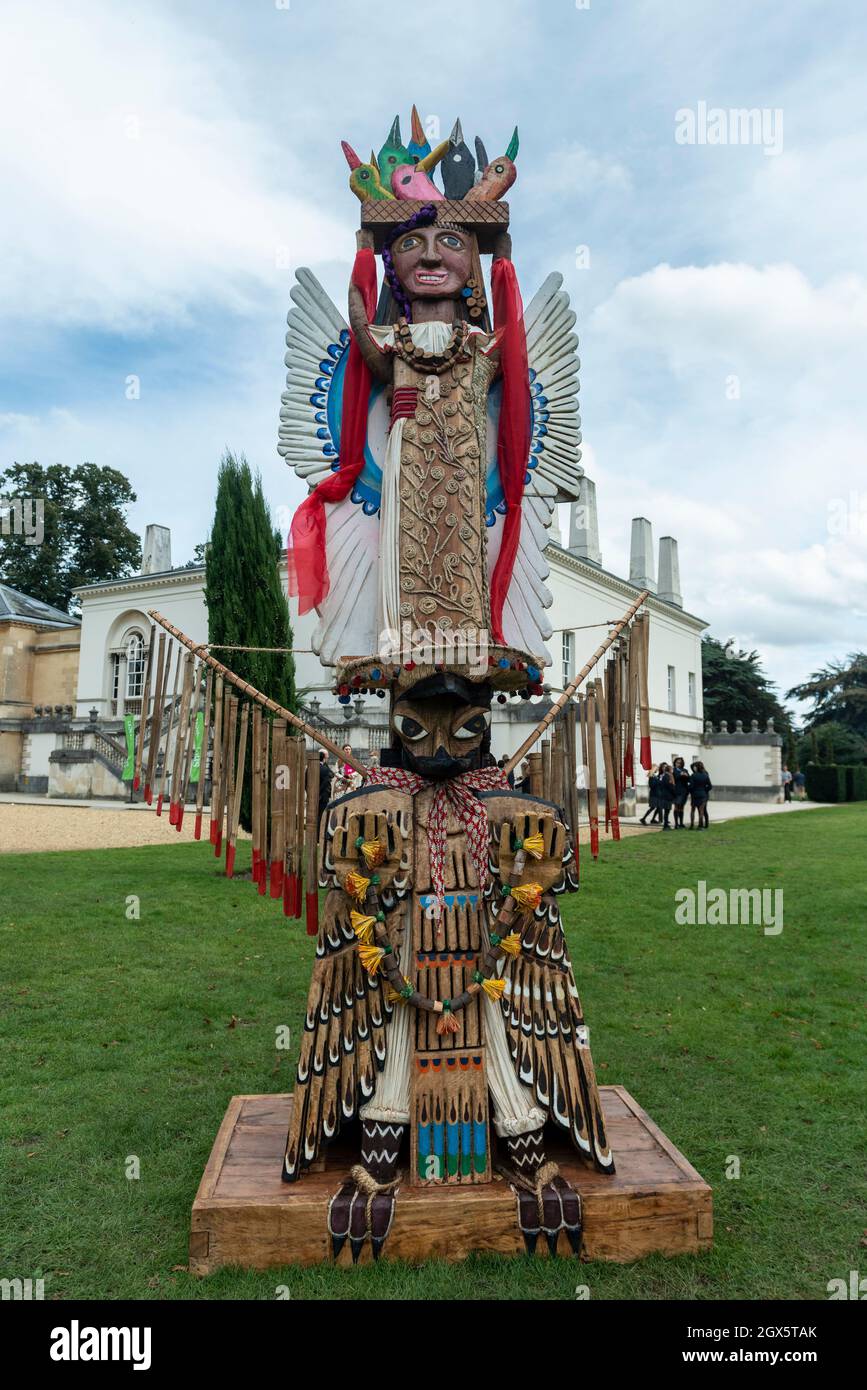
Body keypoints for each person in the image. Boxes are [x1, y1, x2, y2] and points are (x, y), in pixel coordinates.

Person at [689, 761, 712, 828]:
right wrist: (705, 790)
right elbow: (710, 786)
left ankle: (692, 825)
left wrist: (691, 791)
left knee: (693, 810)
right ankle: (700, 825)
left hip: (694, 794)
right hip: (703, 794)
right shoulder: (705, 775)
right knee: (701, 810)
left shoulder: (693, 775)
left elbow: (691, 786)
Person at [671, 755, 691, 828]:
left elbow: (689, 780)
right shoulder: (673, 770)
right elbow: (673, 779)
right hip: (676, 791)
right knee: (676, 806)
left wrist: (687, 776)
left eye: (680, 763)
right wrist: (680, 775)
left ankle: (681, 823)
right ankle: (676, 824)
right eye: (677, 762)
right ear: (675, 763)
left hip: (684, 792)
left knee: (682, 807)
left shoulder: (685, 770)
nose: (678, 764)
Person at [656, 762, 675, 830]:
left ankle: (666, 824)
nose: (672, 770)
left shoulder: (665, 776)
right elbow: (670, 786)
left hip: (665, 795)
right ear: (669, 770)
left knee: (667, 811)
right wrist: (673, 790)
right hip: (667, 796)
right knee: (667, 811)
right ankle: (665, 826)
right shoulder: (668, 776)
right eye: (671, 769)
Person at [317, 751, 333, 819]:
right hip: (323, 797)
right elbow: (331, 775)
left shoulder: (308, 768)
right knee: (322, 816)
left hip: (312, 796)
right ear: (324, 758)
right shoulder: (325, 769)